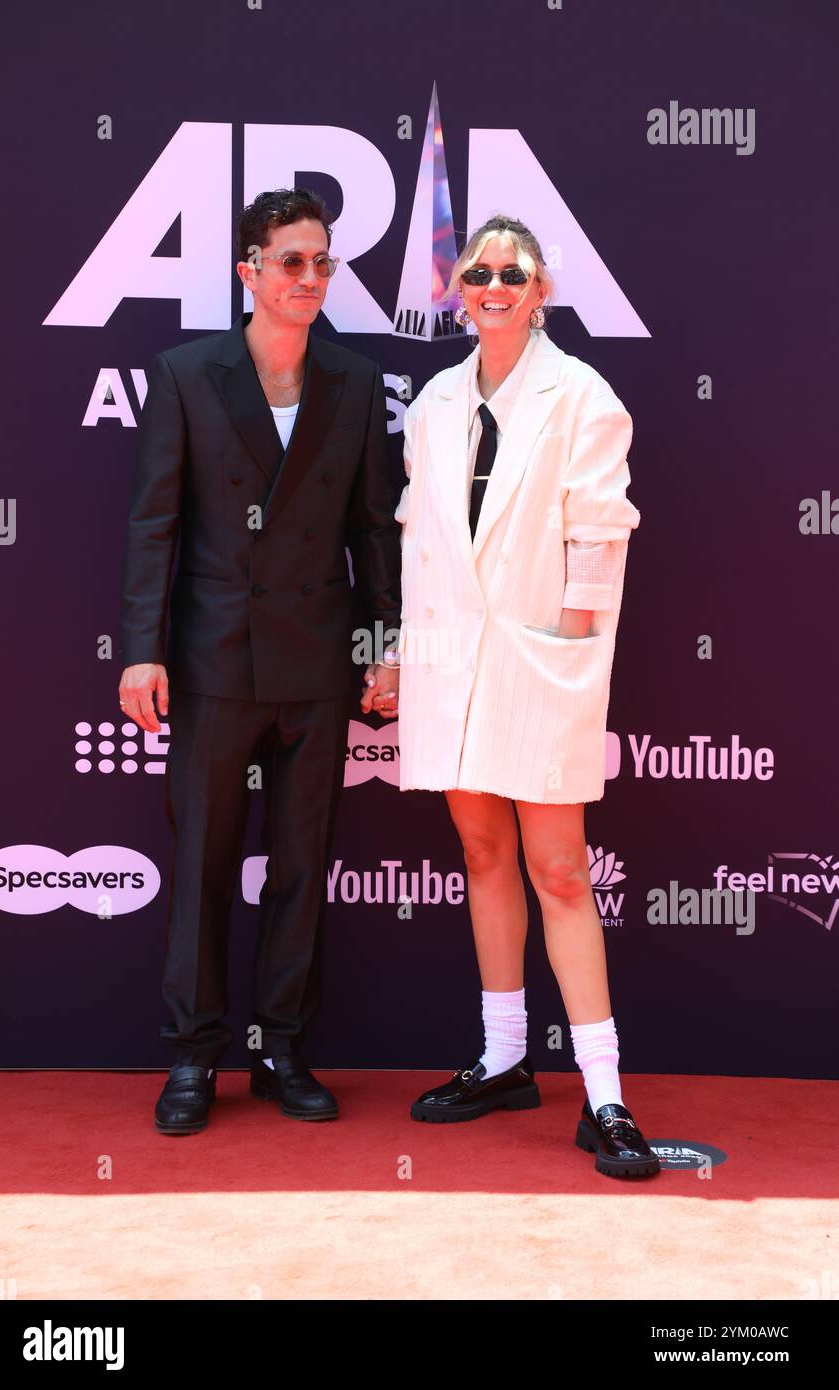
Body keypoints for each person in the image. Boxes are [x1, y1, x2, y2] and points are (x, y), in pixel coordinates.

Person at [119, 187, 401, 1135]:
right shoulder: (188, 374)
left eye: (323, 261)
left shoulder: (356, 383)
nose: (311, 278)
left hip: (318, 662)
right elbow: (155, 521)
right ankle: (194, 1058)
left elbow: (372, 527)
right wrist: (140, 654)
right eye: (292, 261)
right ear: (249, 270)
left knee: (300, 865)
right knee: (200, 864)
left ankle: (282, 1048)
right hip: (209, 660)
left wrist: (384, 643)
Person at [386, 214, 659, 1179]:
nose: (494, 285)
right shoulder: (432, 401)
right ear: (457, 289)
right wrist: (400, 653)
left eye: (513, 272)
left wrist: (573, 646)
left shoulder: (583, 395)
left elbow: (601, 530)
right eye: (479, 272)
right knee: (481, 848)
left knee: (561, 872)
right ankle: (505, 1058)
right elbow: (418, 537)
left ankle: (605, 1091)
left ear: (541, 290)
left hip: (543, 667)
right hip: (452, 662)